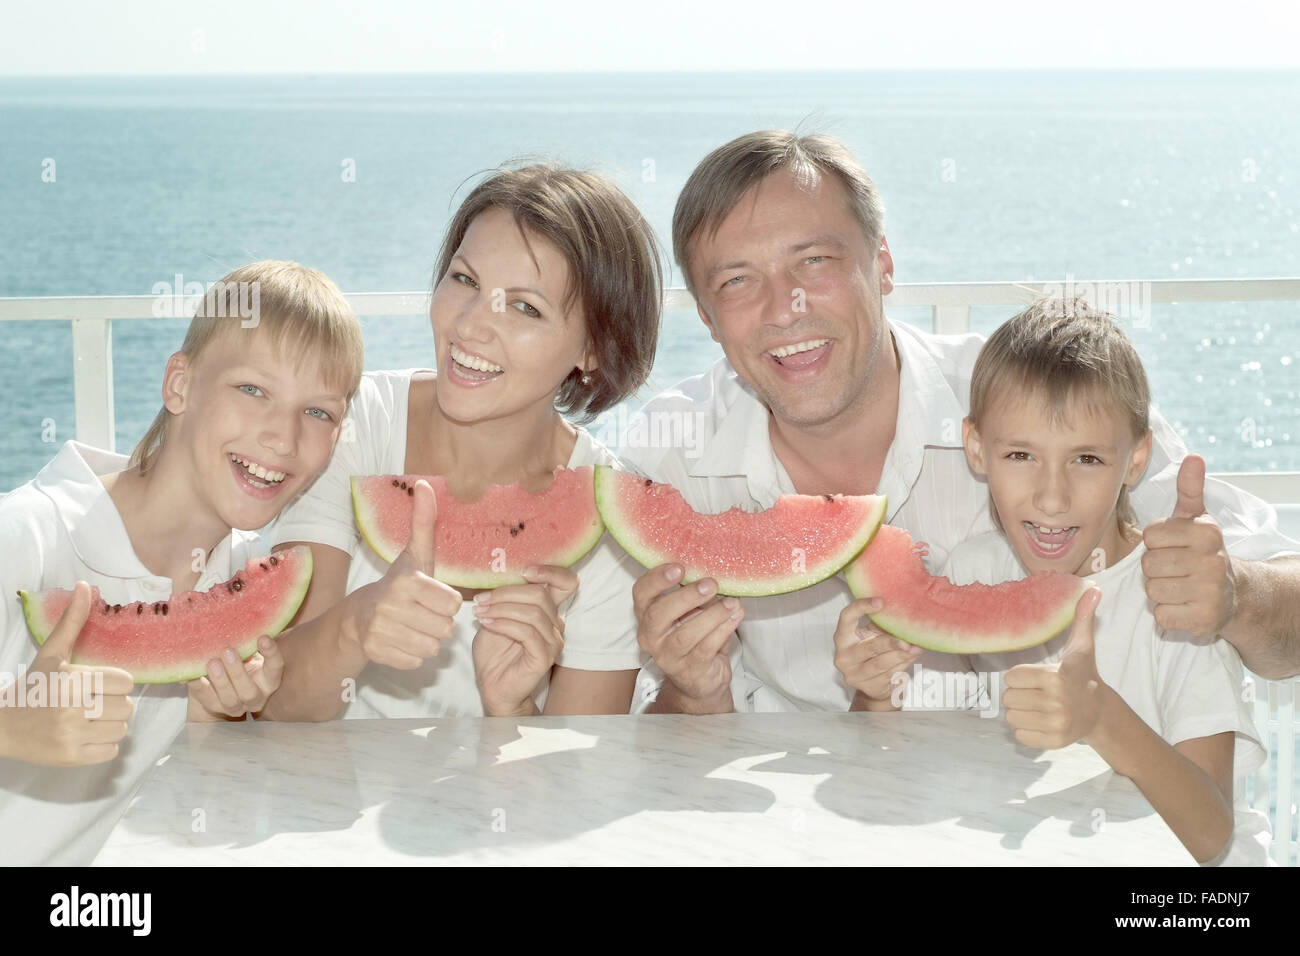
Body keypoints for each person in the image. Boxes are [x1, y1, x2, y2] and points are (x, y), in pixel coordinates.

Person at [624, 130, 1300, 716]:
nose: (784, 307)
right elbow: (645, 750)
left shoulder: (1034, 398)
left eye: (814, 261)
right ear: (707, 318)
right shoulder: (671, 460)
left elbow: (1290, 620)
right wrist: (692, 690)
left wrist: (1238, 596)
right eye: (737, 281)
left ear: (883, 265)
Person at [857, 299, 1268, 864]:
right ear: (977, 449)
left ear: (1137, 458)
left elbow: (1212, 833)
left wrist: (1101, 717)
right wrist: (875, 691)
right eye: (1021, 454)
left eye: (1088, 459)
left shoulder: (1178, 602)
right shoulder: (977, 570)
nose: (1051, 497)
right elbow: (888, 757)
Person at [263, 164, 661, 720]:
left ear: (593, 350)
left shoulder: (610, 517)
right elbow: (270, 707)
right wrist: (355, 628)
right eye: (465, 280)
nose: (471, 325)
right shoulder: (353, 427)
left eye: (526, 307)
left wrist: (511, 704)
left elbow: (574, 786)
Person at [0, 261, 365, 864]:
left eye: (318, 412)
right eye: (254, 390)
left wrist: (216, 716)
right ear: (180, 386)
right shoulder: (27, 535)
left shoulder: (245, 585)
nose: (282, 435)